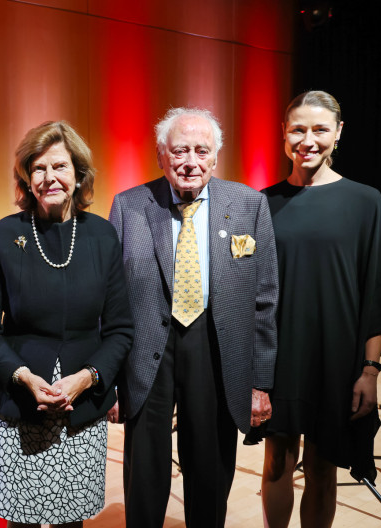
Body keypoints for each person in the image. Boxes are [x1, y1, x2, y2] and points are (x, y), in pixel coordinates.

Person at [108, 107, 278, 527]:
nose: (190, 161)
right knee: (144, 468)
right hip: (147, 348)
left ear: (215, 157)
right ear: (161, 156)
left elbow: (265, 298)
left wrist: (261, 381)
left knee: (210, 463)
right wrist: (108, 378)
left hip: (215, 347)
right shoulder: (129, 206)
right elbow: (108, 300)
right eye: (179, 150)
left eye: (201, 151)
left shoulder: (248, 204)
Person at [0, 121, 134, 527]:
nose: (49, 178)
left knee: (70, 522)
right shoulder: (5, 234)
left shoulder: (103, 236)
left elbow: (120, 329)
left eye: (59, 166)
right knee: (21, 521)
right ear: (27, 178)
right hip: (20, 404)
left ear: (79, 174)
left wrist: (89, 377)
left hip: (82, 404)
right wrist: (21, 376)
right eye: (38, 168)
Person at [260, 91, 381, 528]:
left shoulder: (366, 202)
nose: (307, 139)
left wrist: (370, 370)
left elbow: (375, 292)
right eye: (298, 129)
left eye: (319, 129)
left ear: (338, 133)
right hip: (279, 357)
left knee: (321, 467)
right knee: (276, 463)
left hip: (336, 357)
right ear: (284, 132)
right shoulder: (263, 203)